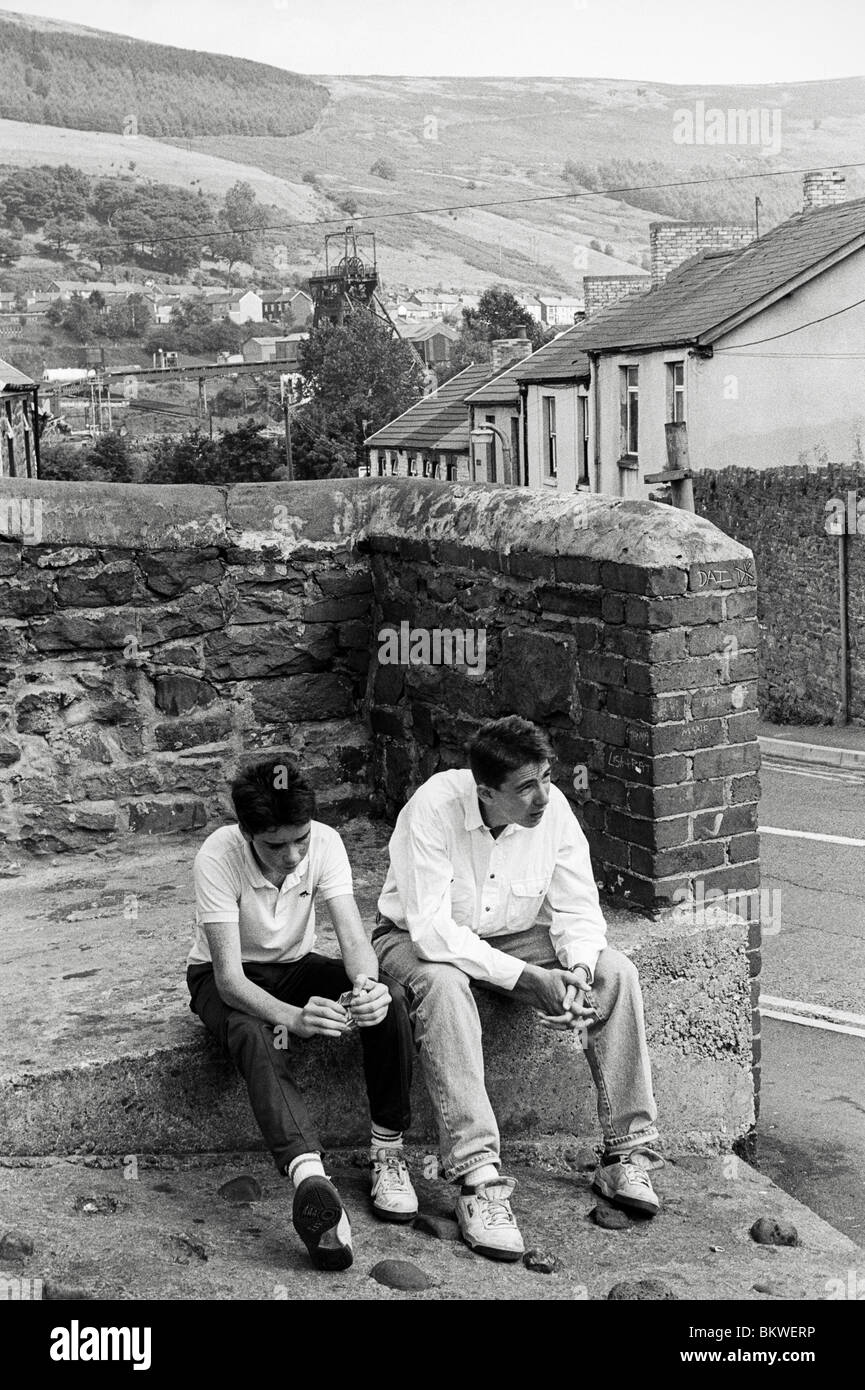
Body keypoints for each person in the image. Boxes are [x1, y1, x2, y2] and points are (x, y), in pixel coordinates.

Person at [373, 715, 662, 1261]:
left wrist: (575, 974)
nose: (544, 796)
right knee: (444, 985)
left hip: (516, 938)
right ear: (485, 791)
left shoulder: (554, 813)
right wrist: (530, 982)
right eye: (526, 786)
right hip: (413, 939)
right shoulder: (433, 809)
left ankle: (625, 1155)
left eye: (547, 777)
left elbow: (578, 910)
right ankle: (478, 1181)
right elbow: (433, 932)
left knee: (615, 972)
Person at [187, 757, 417, 1272]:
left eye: (301, 840)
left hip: (295, 964)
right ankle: (309, 1176)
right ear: (246, 833)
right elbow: (228, 979)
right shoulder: (217, 856)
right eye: (275, 845)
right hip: (224, 976)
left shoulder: (327, 843)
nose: (292, 856)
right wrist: (292, 1018)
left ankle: (388, 1149)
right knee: (251, 1031)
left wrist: (367, 986)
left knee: (394, 998)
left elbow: (353, 936)